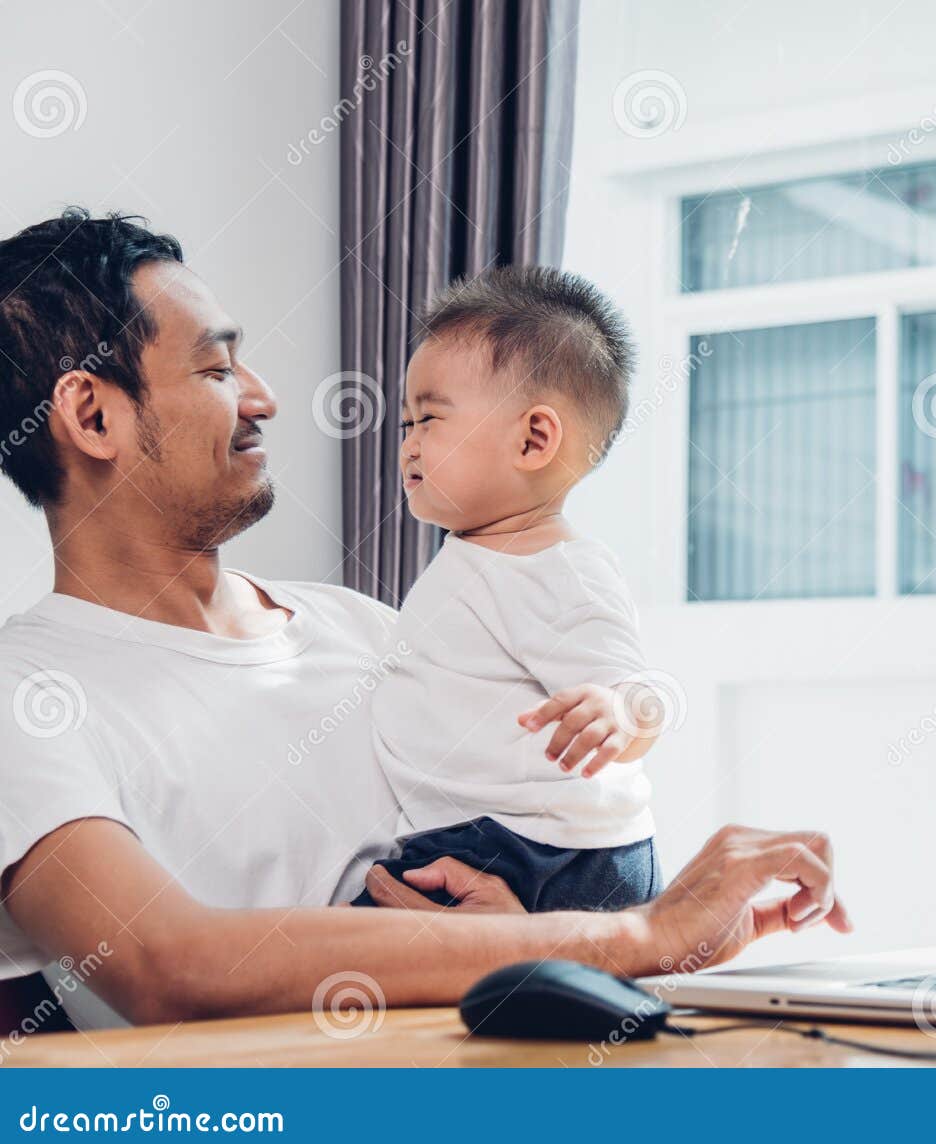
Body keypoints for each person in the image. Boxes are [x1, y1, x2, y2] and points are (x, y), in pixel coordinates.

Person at [0, 208, 848, 1031]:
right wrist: (634, 937)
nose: (264, 397)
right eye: (218, 370)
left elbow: (536, 874)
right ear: (93, 416)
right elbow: (165, 967)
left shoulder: (375, 631)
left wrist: (543, 942)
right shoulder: (25, 698)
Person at [351, 265, 671, 913]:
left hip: (538, 851)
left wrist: (619, 710)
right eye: (407, 424)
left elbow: (634, 687)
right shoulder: (481, 554)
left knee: (339, 946)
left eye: (428, 419)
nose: (407, 444)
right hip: (510, 838)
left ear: (533, 439)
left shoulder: (556, 568)